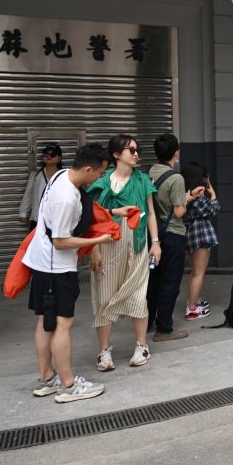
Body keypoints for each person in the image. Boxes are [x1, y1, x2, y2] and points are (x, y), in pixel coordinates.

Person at [23, 144, 115, 403]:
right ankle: (68, 385)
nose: (100, 177)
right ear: (87, 168)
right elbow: (61, 241)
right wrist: (99, 241)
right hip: (56, 267)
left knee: (44, 321)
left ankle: (46, 379)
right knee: (63, 324)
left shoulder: (61, 175)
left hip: (42, 263)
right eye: (99, 173)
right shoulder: (66, 196)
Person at [87, 134, 162, 372]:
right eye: (130, 150)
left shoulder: (142, 180)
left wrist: (156, 242)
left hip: (137, 243)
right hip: (108, 245)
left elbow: (150, 213)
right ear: (116, 154)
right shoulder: (103, 181)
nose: (136, 153)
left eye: (137, 149)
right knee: (104, 295)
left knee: (139, 296)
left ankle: (142, 345)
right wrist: (94, 250)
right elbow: (93, 219)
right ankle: (103, 352)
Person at [148, 133, 203, 337]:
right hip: (172, 234)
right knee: (170, 281)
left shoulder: (151, 172)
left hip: (154, 235)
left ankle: (148, 322)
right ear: (176, 152)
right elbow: (179, 211)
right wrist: (189, 198)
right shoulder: (176, 177)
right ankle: (164, 328)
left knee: (153, 280)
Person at [182, 161, 219, 320]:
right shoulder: (198, 198)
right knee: (199, 272)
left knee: (194, 272)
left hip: (188, 236)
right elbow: (213, 209)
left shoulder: (184, 195)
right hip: (200, 236)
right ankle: (192, 309)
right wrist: (213, 193)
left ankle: (193, 301)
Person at [19, 143, 63, 230]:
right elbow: (28, 195)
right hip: (37, 219)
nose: (49, 156)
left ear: (60, 158)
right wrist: (23, 212)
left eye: (53, 154)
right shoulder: (35, 176)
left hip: (58, 220)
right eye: (46, 154)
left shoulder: (64, 175)